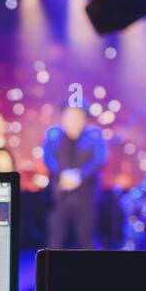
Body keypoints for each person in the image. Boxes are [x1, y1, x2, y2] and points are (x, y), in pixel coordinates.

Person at [43, 105, 106, 249]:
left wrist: (79, 176)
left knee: (87, 240)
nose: (72, 121)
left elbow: (99, 160)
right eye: (69, 117)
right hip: (59, 195)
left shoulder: (95, 136)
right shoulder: (53, 135)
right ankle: (51, 271)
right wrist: (63, 175)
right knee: (55, 241)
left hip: (86, 195)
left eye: (77, 118)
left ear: (84, 120)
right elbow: (48, 157)